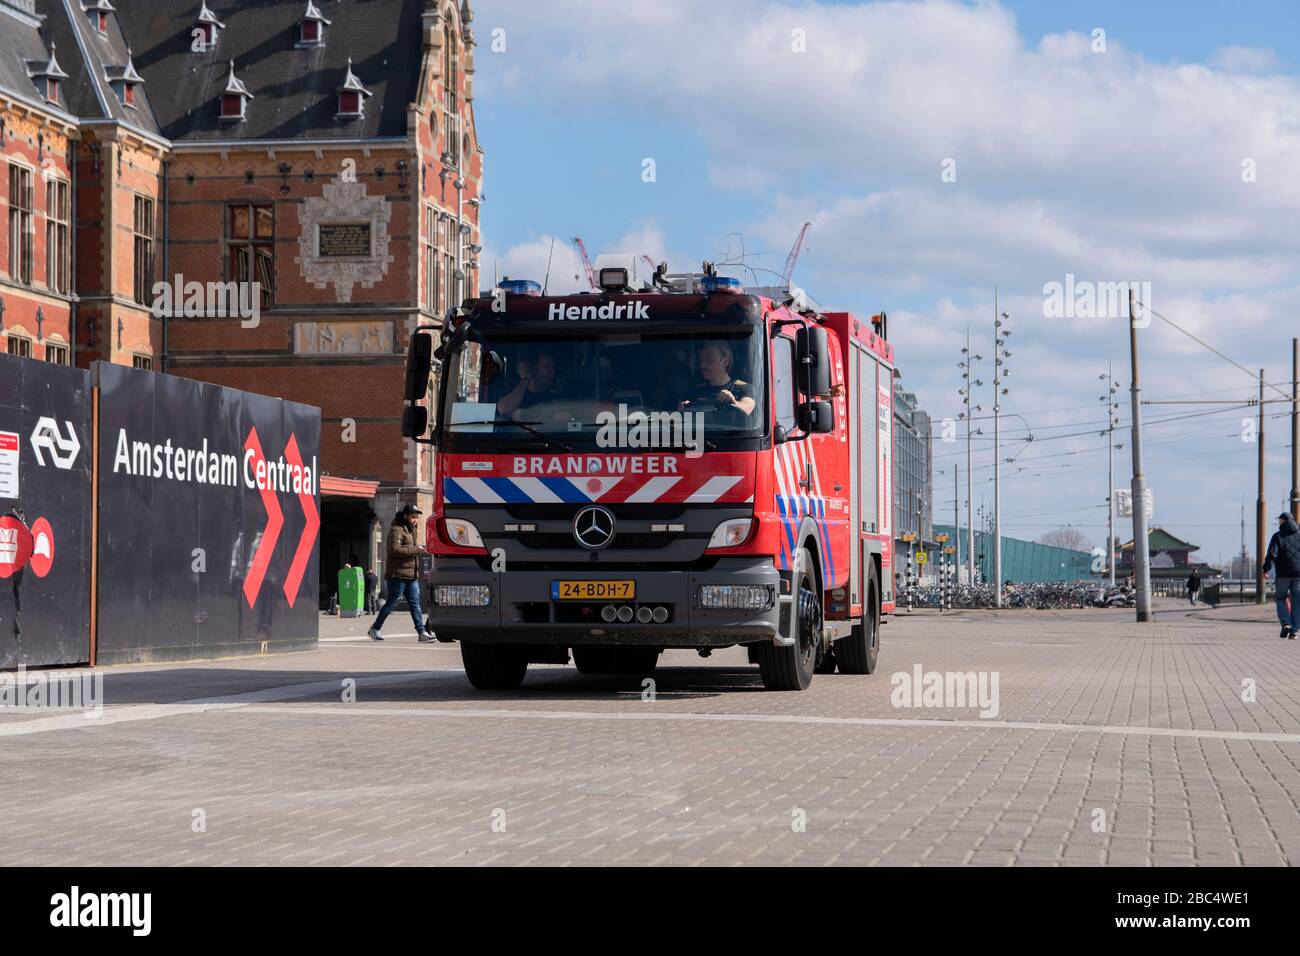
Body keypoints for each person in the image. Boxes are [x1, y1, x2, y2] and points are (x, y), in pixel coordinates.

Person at [368, 505, 433, 642]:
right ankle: (375, 628)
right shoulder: (396, 530)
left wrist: (418, 550)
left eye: (416, 518)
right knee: (392, 602)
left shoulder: (411, 531)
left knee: (415, 603)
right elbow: (395, 550)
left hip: (411, 575)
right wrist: (417, 550)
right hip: (397, 575)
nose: (415, 520)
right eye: (413, 517)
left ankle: (422, 633)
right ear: (405, 516)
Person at [677, 341, 756, 418]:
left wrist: (733, 402)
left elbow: (747, 408)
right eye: (701, 360)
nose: (702, 365)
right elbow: (681, 420)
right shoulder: (695, 389)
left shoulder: (744, 388)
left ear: (725, 362)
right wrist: (683, 409)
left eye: (709, 360)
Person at [1263, 511, 1300, 639]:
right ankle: (1294, 631)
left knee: (1280, 598)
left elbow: (1272, 554)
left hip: (1283, 574)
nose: (1278, 522)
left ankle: (1286, 623)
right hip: (1299, 574)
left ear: (1284, 520)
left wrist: (1266, 569)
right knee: (1297, 602)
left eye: (1279, 520)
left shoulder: (1277, 536)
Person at [496, 349, 562, 418]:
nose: (553, 372)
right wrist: (525, 379)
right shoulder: (512, 393)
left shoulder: (555, 396)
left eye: (553, 367)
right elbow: (504, 410)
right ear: (532, 370)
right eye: (547, 367)